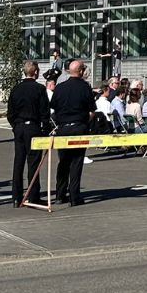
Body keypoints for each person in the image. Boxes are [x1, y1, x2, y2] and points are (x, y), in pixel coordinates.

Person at [50, 59, 98, 206]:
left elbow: (54, 109)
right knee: (76, 162)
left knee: (63, 162)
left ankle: (59, 194)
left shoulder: (60, 88)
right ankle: (74, 196)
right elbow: (91, 111)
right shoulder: (85, 87)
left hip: (63, 128)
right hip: (79, 127)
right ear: (82, 71)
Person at [7, 61, 49, 206]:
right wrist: (45, 129)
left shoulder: (16, 89)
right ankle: (33, 195)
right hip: (33, 127)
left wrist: (15, 126)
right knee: (33, 162)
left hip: (19, 127)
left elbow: (10, 113)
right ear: (35, 72)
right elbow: (44, 112)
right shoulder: (39, 89)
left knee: (18, 161)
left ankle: (16, 196)